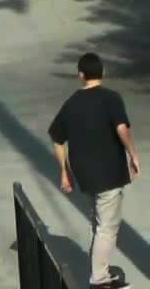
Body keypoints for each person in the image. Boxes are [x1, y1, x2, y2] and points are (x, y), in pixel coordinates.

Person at [48, 52, 139, 289]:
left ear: (81, 75)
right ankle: (99, 280)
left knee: (99, 224)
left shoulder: (71, 103)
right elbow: (122, 129)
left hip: (85, 176)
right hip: (110, 173)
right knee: (107, 228)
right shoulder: (111, 98)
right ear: (103, 72)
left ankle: (101, 273)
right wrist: (133, 153)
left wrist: (64, 171)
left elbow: (57, 138)